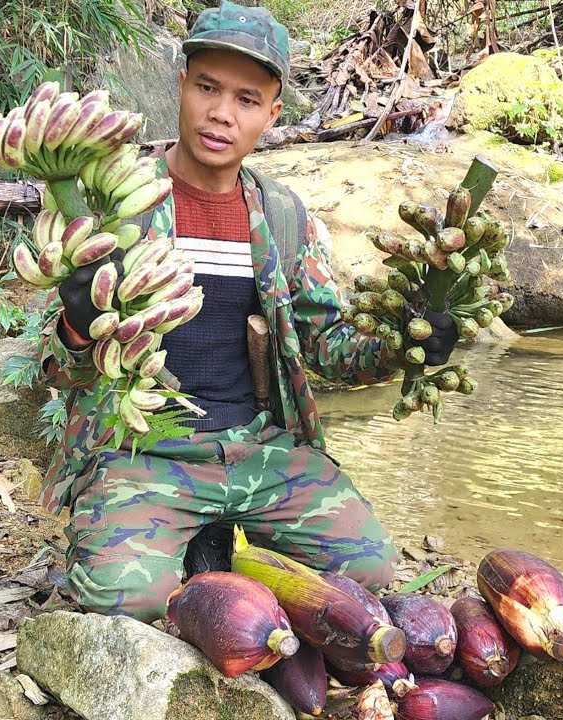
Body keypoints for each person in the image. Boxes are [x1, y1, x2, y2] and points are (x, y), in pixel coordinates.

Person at [33, 1, 459, 623]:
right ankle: (193, 550)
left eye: (247, 99)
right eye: (207, 88)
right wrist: (75, 324)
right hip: (144, 451)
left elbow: (324, 345)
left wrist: (404, 342)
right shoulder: (113, 206)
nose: (221, 114)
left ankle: (222, 547)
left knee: (371, 569)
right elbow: (54, 367)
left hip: (259, 448)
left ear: (272, 114)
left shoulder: (284, 218)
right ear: (179, 86)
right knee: (122, 601)